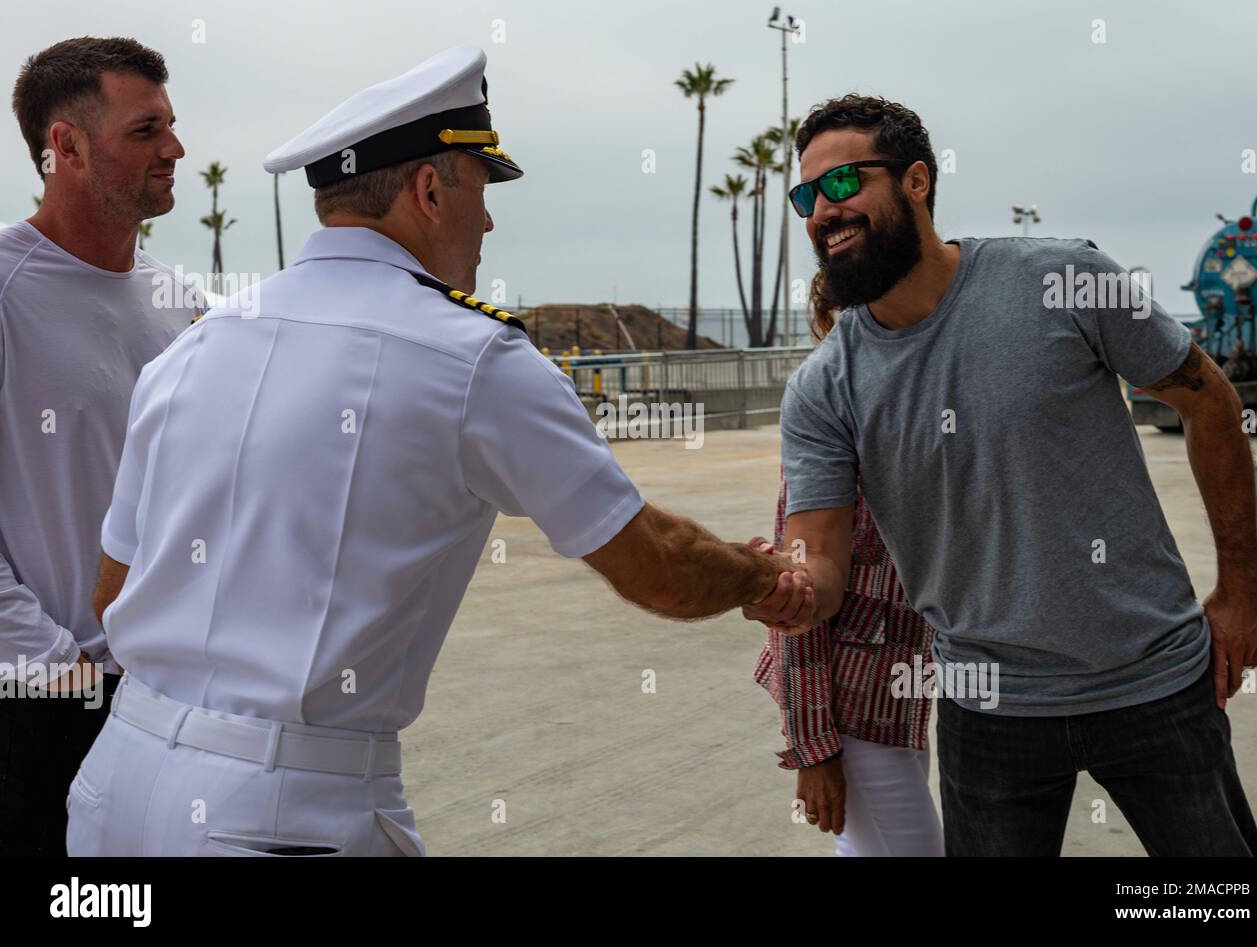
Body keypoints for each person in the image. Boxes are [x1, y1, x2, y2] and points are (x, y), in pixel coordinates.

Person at [67, 45, 812, 857]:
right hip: (278, 813)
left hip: (116, 786)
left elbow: (113, 596)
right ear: (429, 189)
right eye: (481, 189)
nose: (488, 221)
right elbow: (660, 569)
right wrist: (763, 574)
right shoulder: (473, 358)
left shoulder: (195, 345)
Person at [747, 94, 1257, 856]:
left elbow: (1210, 401)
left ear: (917, 180)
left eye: (843, 183)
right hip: (987, 712)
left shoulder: (1064, 279)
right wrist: (786, 590)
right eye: (807, 197)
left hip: (1154, 680)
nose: (823, 211)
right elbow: (821, 561)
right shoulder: (824, 387)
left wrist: (1242, 586)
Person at [0, 36, 197, 856]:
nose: (176, 149)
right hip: (44, 711)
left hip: (176, 699)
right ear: (67, 147)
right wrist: (62, 673)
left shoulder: (180, 301)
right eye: (146, 130)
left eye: (172, 126)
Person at [752, 462, 942, 856]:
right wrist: (815, 748)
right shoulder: (832, 420)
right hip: (851, 707)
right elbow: (796, 605)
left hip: (905, 696)